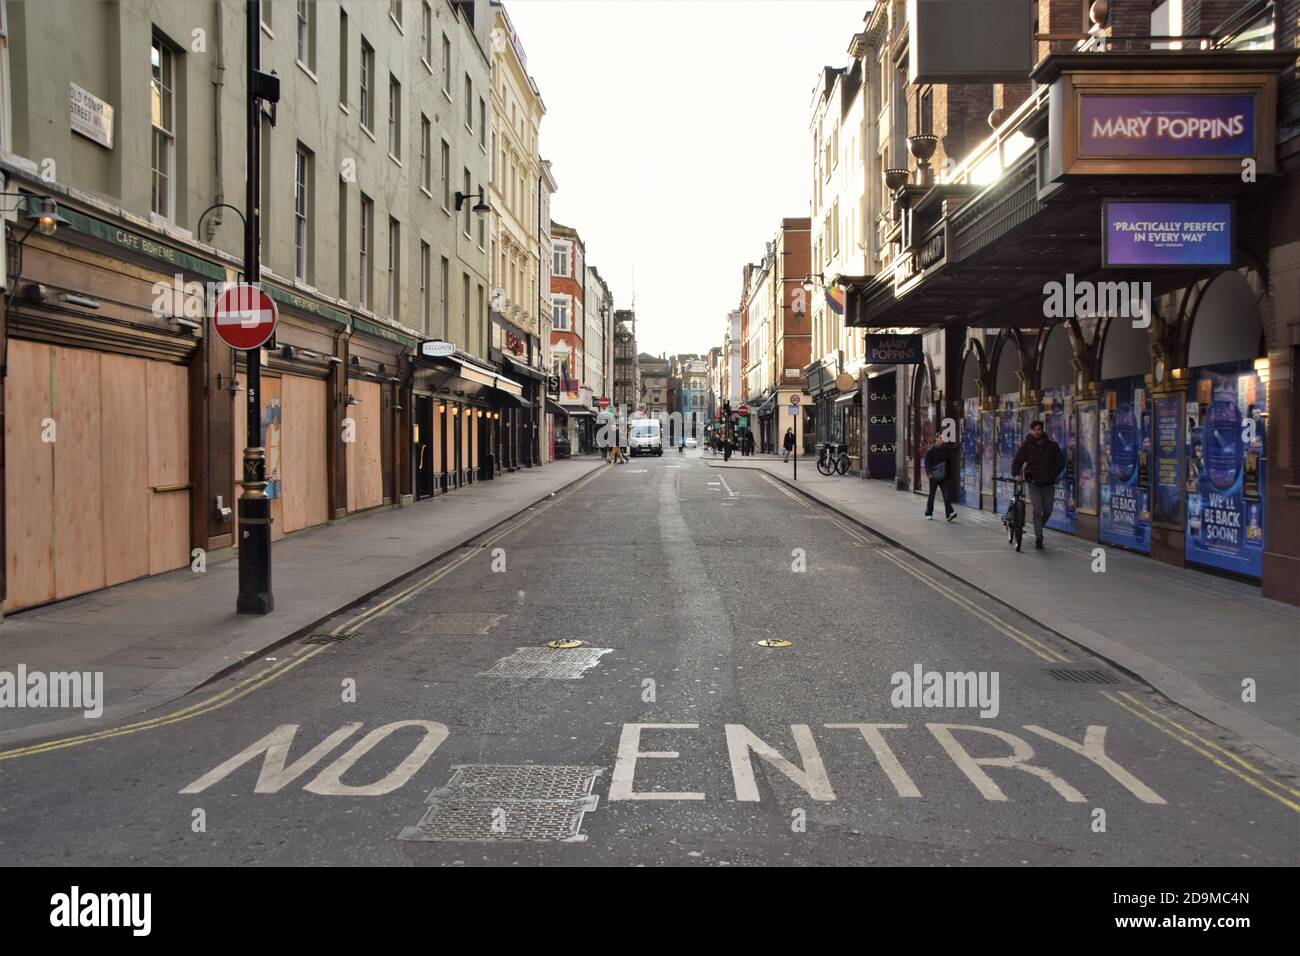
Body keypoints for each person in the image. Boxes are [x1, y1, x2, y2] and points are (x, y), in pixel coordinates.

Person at [1012, 418, 1066, 549]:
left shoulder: (1051, 445)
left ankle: (1038, 527)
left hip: (1048, 483)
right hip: (1033, 483)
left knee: (1048, 510)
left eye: (1039, 429)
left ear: (1042, 430)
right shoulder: (1027, 446)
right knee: (1037, 510)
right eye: (1034, 429)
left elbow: (1061, 462)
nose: (1037, 432)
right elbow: (1017, 461)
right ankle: (1038, 537)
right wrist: (1017, 474)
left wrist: (1053, 473)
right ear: (1031, 431)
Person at [923, 433, 956, 521]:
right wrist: (929, 473)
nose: (942, 440)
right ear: (936, 438)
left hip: (943, 476)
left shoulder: (946, 450)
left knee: (946, 495)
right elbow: (926, 463)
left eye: (943, 438)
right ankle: (928, 513)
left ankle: (949, 514)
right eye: (940, 438)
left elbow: (949, 463)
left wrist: (948, 475)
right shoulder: (930, 450)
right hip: (933, 476)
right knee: (932, 495)